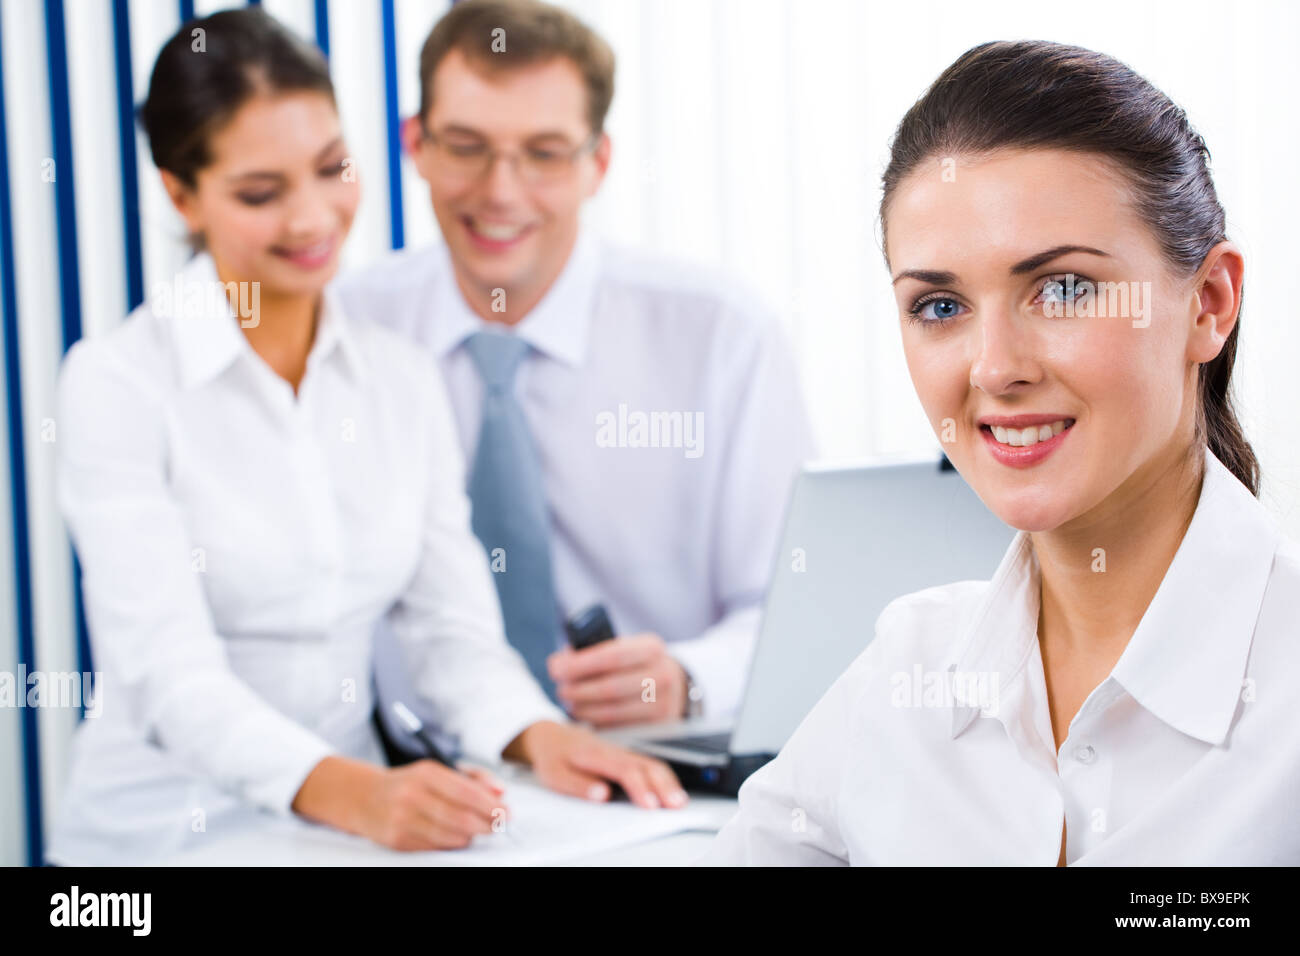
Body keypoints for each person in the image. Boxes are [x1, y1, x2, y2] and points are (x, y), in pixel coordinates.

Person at [48, 7, 685, 866]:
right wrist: (360, 792)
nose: (314, 218)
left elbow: (449, 633)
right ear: (180, 192)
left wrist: (537, 736)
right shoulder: (118, 383)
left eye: (330, 169)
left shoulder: (397, 376)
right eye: (261, 193)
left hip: (354, 834)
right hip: (166, 838)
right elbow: (171, 679)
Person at [702, 40, 1300, 865]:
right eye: (940, 305)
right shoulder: (909, 669)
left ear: (1208, 302)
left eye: (1061, 289)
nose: (994, 368)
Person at [336, 0, 814, 754]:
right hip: (408, 781)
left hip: (659, 769)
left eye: (545, 153)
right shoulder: (346, 330)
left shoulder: (719, 332)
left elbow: (798, 607)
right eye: (466, 146)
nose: (501, 190)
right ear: (415, 144)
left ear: (598, 164)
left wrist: (690, 677)